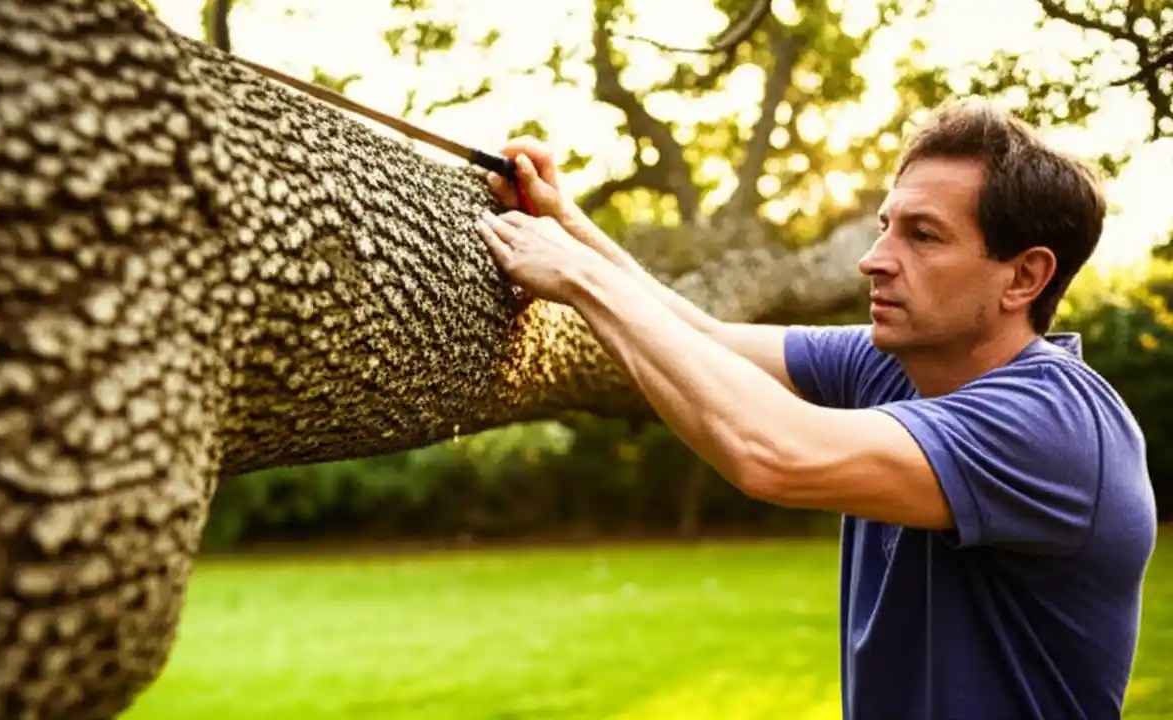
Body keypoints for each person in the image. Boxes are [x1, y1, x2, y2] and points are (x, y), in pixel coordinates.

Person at [474, 100, 1158, 719]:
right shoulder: (889, 363)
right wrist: (568, 223)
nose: (873, 260)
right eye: (887, 227)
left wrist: (580, 277)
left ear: (1025, 276)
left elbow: (776, 455)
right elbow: (702, 339)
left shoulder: (1057, 423)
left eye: (922, 236)